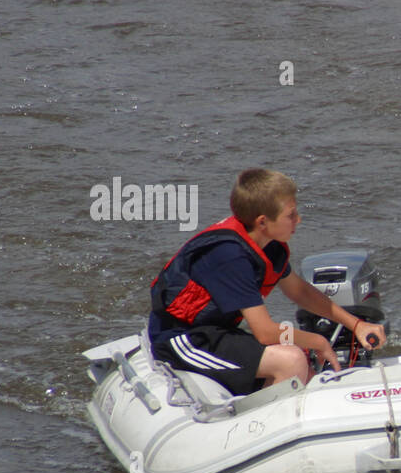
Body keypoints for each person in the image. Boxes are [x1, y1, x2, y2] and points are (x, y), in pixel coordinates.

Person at [148, 168, 387, 395]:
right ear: (263, 222)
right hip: (183, 340)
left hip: (220, 332)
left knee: (307, 371)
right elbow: (265, 333)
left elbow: (300, 292)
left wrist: (356, 325)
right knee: (292, 361)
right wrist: (318, 341)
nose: (298, 220)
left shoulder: (270, 246)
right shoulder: (229, 257)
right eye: (291, 215)